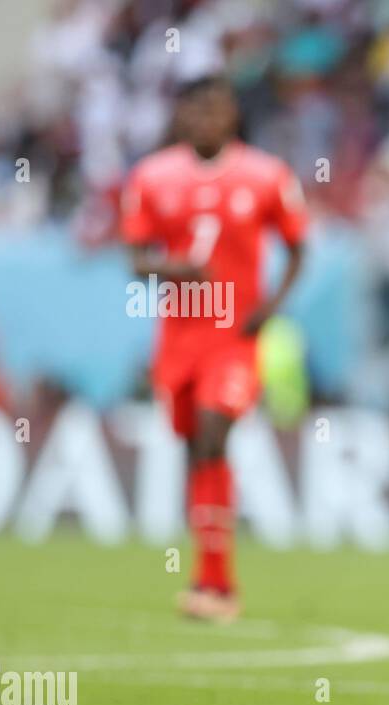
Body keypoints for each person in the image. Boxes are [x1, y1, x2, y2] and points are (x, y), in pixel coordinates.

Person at [121, 76, 307, 621]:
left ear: (231, 116)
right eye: (196, 110)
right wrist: (176, 268)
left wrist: (270, 307)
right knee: (193, 449)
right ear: (183, 117)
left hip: (233, 339)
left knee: (211, 433)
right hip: (178, 338)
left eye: (217, 109)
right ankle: (209, 575)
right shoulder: (153, 176)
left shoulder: (266, 174)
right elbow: (135, 258)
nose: (207, 120)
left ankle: (218, 587)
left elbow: (298, 247)